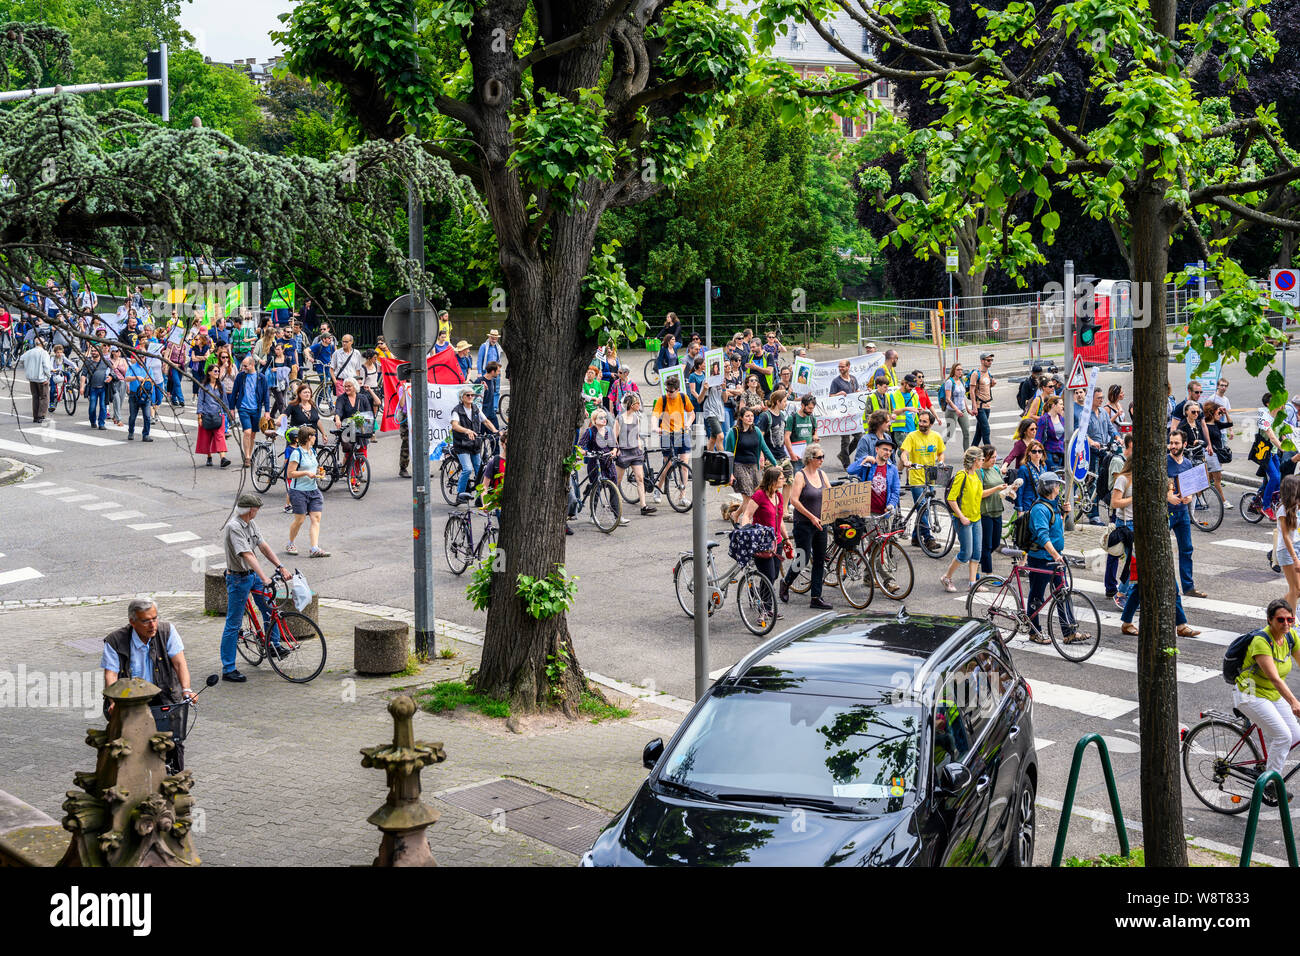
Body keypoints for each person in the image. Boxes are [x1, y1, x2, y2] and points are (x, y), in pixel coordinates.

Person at [101, 599, 196, 767]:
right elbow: (111, 674)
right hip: (130, 699)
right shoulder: (115, 640)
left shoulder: (167, 631)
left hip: (164, 696)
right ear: (132, 622)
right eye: (146, 621)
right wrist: (114, 702)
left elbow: (179, 663)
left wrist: (187, 690)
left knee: (174, 741)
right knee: (130, 746)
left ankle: (177, 776)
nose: (152, 625)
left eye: (155, 618)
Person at [219, 494, 290, 682]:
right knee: (233, 623)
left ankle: (273, 645)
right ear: (251, 509)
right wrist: (265, 578)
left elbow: (263, 546)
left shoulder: (250, 523)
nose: (258, 510)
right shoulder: (234, 527)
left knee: (269, 607)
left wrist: (280, 566)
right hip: (238, 578)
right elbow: (248, 554)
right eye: (256, 508)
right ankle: (228, 669)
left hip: (252, 575)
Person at [1023, 472, 1088, 645]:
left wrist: (1065, 513)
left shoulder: (1054, 506)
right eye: (1057, 485)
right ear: (1050, 487)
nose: (1059, 487)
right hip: (1042, 559)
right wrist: (1056, 555)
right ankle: (1034, 631)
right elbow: (1043, 536)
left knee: (1063, 593)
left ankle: (1069, 632)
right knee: (1036, 597)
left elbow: (1056, 530)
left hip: (1055, 559)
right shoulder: (1039, 509)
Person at [780, 443, 833, 610]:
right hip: (804, 524)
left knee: (819, 559)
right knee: (802, 559)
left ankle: (816, 597)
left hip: (821, 523)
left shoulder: (822, 474)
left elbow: (831, 494)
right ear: (810, 459)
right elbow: (794, 501)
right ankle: (786, 582)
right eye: (819, 457)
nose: (822, 460)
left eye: (823, 457)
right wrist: (811, 517)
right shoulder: (800, 476)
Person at [899, 409, 946, 548]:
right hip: (916, 477)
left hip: (931, 476)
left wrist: (941, 462)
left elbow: (941, 453)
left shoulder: (936, 436)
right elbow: (904, 453)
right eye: (920, 421)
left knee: (924, 508)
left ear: (931, 424)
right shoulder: (912, 436)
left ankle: (915, 537)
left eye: (924, 422)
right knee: (923, 507)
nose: (921, 423)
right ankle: (928, 539)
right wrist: (906, 461)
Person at [942, 447, 985, 592]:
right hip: (963, 520)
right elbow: (951, 498)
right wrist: (961, 516)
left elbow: (980, 494)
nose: (983, 461)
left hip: (976, 518)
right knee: (966, 553)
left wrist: (998, 489)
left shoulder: (976, 475)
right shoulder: (962, 475)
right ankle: (946, 577)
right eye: (982, 459)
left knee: (976, 553)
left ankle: (973, 584)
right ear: (975, 460)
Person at [736, 465, 787, 587]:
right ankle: (765, 600)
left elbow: (779, 520)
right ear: (773, 481)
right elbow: (747, 515)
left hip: (777, 542)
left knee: (774, 575)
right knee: (768, 576)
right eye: (781, 478)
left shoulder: (779, 496)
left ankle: (758, 594)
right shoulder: (759, 495)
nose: (784, 480)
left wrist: (786, 538)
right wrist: (747, 532)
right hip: (762, 542)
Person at [1167, 429, 1203, 598]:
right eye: (1171, 443)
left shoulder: (1188, 463)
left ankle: (1188, 587)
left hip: (1182, 512)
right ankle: (1168, 587)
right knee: (1162, 550)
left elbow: (1191, 486)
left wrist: (1190, 496)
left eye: (1176, 443)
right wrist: (1167, 496)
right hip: (1167, 512)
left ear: (1184, 444)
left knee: (1187, 549)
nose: (1173, 446)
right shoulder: (1164, 462)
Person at [285, 426, 329, 557]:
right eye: (314, 436)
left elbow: (314, 468)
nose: (315, 438)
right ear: (309, 437)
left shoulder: (313, 452)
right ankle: (290, 543)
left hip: (313, 490)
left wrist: (319, 472)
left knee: (316, 518)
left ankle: (314, 548)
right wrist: (306, 473)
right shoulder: (296, 453)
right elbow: (290, 473)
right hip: (299, 491)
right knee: (300, 520)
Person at [450, 384, 498, 501]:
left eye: (472, 395)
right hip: (462, 445)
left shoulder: (476, 409)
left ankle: (479, 498)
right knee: (467, 469)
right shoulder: (457, 410)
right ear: (462, 397)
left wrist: (495, 431)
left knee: (480, 471)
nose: (471, 397)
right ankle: (460, 494)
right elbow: (455, 425)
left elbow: (486, 421)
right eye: (468, 395)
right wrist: (467, 431)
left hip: (475, 445)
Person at [652, 377, 695, 498]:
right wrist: (655, 427)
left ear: (678, 389)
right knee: (668, 465)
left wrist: (688, 424)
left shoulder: (683, 397)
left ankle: (682, 495)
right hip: (667, 434)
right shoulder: (663, 399)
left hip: (682, 433)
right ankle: (658, 488)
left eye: (671, 391)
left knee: (684, 465)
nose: (668, 393)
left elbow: (692, 413)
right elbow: (655, 415)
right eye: (667, 390)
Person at [726, 405, 781, 498]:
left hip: (754, 466)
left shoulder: (757, 431)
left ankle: (736, 509)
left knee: (756, 496)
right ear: (741, 418)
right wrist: (730, 474)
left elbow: (765, 448)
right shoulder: (733, 432)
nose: (750, 418)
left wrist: (775, 464)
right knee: (748, 495)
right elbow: (729, 455)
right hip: (739, 466)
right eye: (747, 416)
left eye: (752, 416)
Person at [615, 393, 656, 515]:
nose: (639, 405)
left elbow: (636, 435)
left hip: (635, 452)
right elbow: (614, 436)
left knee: (640, 478)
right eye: (637, 403)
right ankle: (614, 503)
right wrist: (616, 449)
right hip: (623, 452)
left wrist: (639, 447)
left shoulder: (636, 418)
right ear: (631, 405)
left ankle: (643, 506)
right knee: (617, 480)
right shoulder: (620, 419)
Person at [1105, 435, 1134, 604]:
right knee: (1132, 561)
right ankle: (1121, 594)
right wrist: (1133, 499)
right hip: (1125, 525)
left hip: (1136, 523)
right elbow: (1115, 502)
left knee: (1134, 562)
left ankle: (1127, 593)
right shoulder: (1123, 479)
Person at [976, 444, 1008, 578]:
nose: (995, 460)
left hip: (997, 510)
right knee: (987, 545)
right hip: (985, 511)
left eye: (995, 457)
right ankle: (989, 574)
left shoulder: (995, 469)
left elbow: (1001, 487)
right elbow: (979, 494)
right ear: (984, 458)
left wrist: (1009, 489)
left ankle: (975, 563)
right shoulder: (979, 472)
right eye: (992, 457)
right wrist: (997, 488)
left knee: (995, 543)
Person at [231, 356, 269, 465]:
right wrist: (232, 409)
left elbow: (266, 395)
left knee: (252, 434)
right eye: (243, 365)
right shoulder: (240, 376)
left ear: (252, 365)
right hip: (243, 408)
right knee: (247, 432)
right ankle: (247, 457)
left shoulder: (261, 378)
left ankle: (250, 454)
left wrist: (267, 411)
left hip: (256, 409)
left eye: (245, 366)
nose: (243, 368)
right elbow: (234, 392)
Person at [196, 364, 231, 467]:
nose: (217, 373)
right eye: (215, 371)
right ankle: (209, 457)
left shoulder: (221, 385)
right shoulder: (203, 386)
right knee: (207, 437)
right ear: (209, 373)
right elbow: (200, 401)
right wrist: (199, 416)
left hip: (218, 415)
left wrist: (227, 413)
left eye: (218, 371)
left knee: (220, 436)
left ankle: (223, 459)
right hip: (206, 414)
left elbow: (224, 401)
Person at [828, 359, 860, 467]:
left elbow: (856, 392)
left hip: (853, 414)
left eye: (842, 366)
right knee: (845, 440)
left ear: (848, 367)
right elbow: (830, 396)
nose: (840, 369)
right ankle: (846, 464)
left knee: (859, 437)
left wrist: (863, 393)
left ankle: (842, 455)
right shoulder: (836, 381)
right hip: (842, 415)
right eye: (839, 367)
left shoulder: (853, 379)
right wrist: (838, 394)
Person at [756, 389, 792, 480]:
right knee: (772, 484)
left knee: (789, 481)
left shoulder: (782, 415)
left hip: (783, 456)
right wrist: (761, 456)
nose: (786, 404)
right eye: (784, 401)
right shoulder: (765, 416)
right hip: (770, 458)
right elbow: (759, 438)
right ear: (778, 402)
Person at [847, 409, 893, 479]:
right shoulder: (865, 440)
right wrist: (871, 461)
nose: (890, 424)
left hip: (886, 478)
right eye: (887, 422)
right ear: (879, 423)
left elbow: (892, 461)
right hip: (870, 479)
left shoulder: (888, 438)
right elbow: (860, 463)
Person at [1277, 477, 1300, 614]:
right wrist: (1295, 558)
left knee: (1298, 590)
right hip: (1286, 551)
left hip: (1297, 547)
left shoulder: (1296, 507)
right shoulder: (1282, 510)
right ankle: (1290, 622)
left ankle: (1276, 609)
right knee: (1295, 589)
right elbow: (1286, 536)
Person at [20, 336, 52, 423]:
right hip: (41, 378)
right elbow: (46, 366)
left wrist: (27, 365)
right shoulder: (44, 353)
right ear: (42, 343)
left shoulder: (29, 352)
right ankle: (41, 415)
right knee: (44, 397)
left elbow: (21, 359)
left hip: (32, 378)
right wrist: (48, 376)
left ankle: (35, 416)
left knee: (35, 397)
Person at [124, 349, 154, 442]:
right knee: (133, 416)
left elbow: (152, 381)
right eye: (139, 357)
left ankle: (146, 435)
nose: (141, 358)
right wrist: (136, 378)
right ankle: (131, 432)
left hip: (145, 395)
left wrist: (150, 390)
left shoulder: (148, 368)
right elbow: (126, 378)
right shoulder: (132, 367)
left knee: (147, 417)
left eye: (143, 357)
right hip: (134, 395)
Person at [80, 345, 112, 430]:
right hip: (93, 388)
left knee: (103, 406)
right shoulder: (88, 362)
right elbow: (83, 375)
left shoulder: (105, 361)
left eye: (95, 351)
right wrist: (82, 387)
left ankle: (101, 423)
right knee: (92, 407)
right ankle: (93, 421)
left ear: (100, 352)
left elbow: (113, 371)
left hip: (103, 388)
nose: (93, 352)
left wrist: (111, 377)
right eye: (92, 351)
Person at [942, 362, 971, 450]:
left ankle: (967, 454)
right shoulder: (949, 382)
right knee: (950, 434)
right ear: (953, 371)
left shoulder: (961, 381)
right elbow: (948, 399)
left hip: (962, 410)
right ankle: (939, 450)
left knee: (967, 433)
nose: (960, 371)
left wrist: (967, 410)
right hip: (952, 411)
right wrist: (956, 410)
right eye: (958, 370)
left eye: (961, 370)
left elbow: (962, 397)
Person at [970, 352, 996, 445]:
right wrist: (974, 407)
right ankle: (989, 451)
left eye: (991, 360)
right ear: (982, 361)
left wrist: (992, 384)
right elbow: (972, 391)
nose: (990, 362)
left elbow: (985, 388)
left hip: (987, 405)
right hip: (979, 406)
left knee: (979, 431)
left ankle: (972, 449)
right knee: (986, 429)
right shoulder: (975, 374)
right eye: (988, 360)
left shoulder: (988, 373)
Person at [785, 393, 818, 467]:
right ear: (802, 405)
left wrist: (815, 437)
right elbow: (787, 437)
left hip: (809, 456)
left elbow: (814, 432)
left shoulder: (812, 418)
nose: (811, 411)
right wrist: (791, 453)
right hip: (797, 456)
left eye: (812, 408)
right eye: (809, 408)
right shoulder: (792, 418)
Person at [888, 373, 921, 440]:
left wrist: (920, 410)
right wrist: (906, 409)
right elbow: (892, 412)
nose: (912, 388)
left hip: (913, 428)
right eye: (910, 385)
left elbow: (919, 409)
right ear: (904, 383)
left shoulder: (914, 395)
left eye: (913, 386)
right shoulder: (894, 395)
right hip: (900, 430)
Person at [1037, 395, 1066, 469]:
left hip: (1061, 453)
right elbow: (1038, 438)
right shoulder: (1043, 419)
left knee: (1060, 474)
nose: (1062, 406)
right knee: (1053, 474)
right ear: (1053, 405)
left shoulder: (1061, 418)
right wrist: (1038, 454)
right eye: (1061, 404)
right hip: (1049, 453)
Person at [395, 379, 412, 478]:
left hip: (418, 416)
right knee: (406, 442)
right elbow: (401, 404)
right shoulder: (403, 388)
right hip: (406, 416)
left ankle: (422, 467)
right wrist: (405, 391)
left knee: (422, 442)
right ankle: (403, 468)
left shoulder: (421, 386)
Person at [479, 360, 503, 430]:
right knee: (480, 435)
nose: (499, 373)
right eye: (498, 371)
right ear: (492, 372)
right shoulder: (479, 382)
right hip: (482, 415)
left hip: (491, 414)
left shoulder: (493, 380)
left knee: (496, 434)